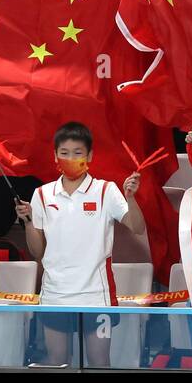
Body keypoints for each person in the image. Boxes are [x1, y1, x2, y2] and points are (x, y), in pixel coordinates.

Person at [16, 122, 144, 368]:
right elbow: (38, 252)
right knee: (58, 362)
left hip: (96, 296)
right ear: (55, 156)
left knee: (99, 363)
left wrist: (131, 198)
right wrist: (29, 221)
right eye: (64, 153)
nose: (70, 158)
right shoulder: (42, 194)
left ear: (90, 156)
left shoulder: (106, 191)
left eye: (78, 153)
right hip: (55, 295)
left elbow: (137, 227)